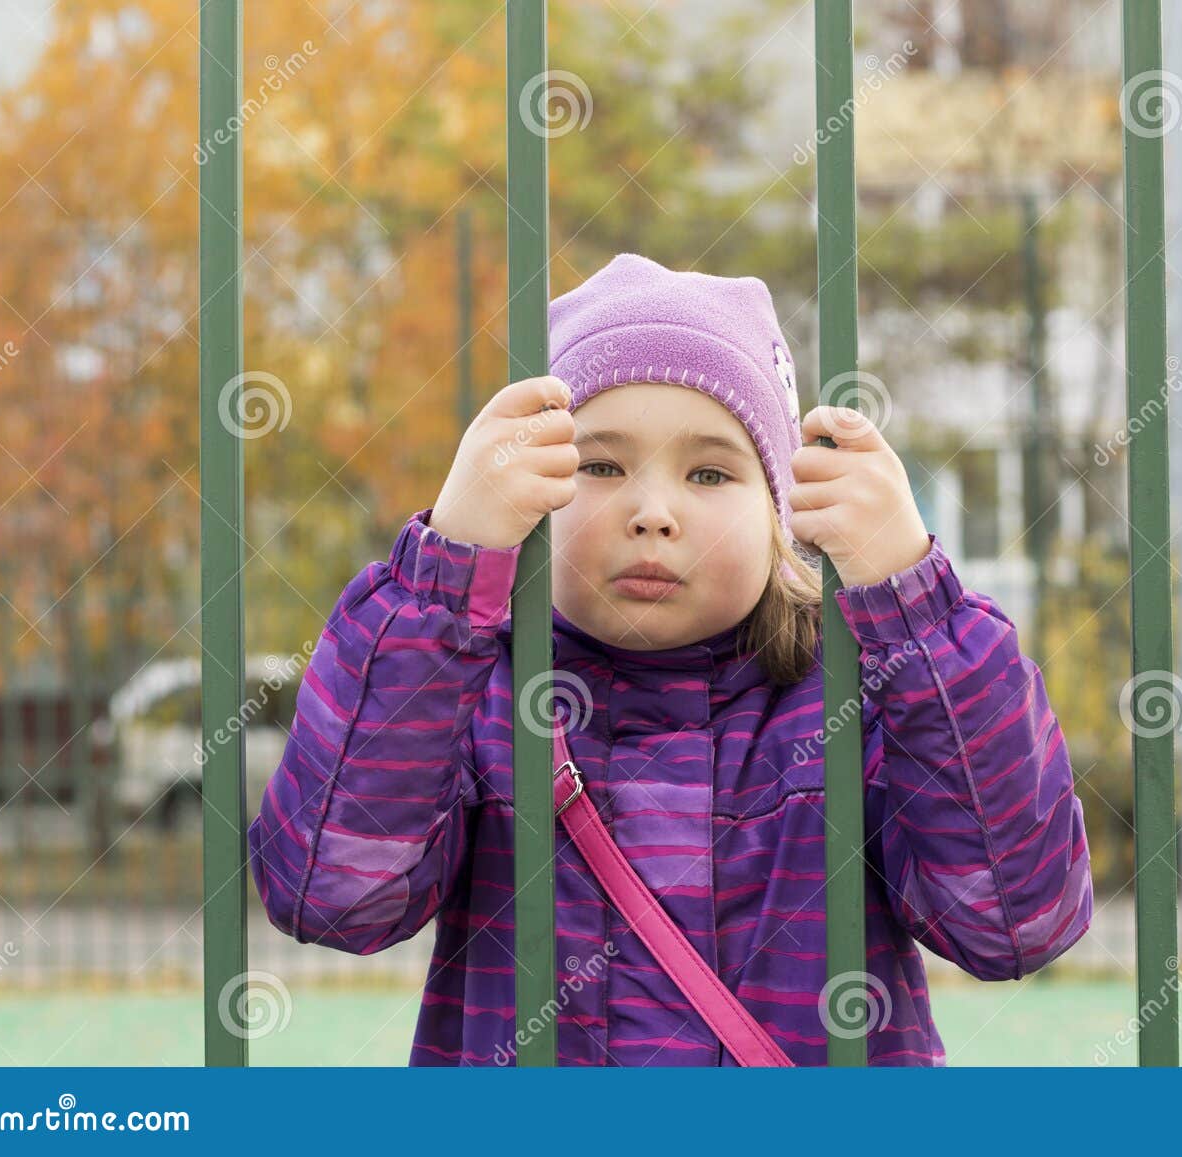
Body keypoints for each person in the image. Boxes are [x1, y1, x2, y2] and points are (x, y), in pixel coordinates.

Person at [247, 252, 1092, 1065]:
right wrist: (444, 574)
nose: (652, 511)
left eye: (710, 474)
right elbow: (334, 894)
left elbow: (1017, 919)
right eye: (600, 464)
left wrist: (918, 611)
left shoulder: (860, 703)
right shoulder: (472, 701)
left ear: (780, 516)